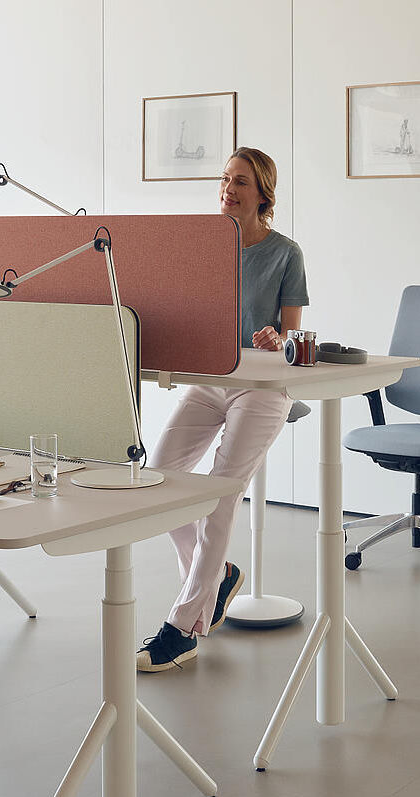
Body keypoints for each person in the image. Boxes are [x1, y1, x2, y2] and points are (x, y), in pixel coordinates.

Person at [136, 147, 308, 672]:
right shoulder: (207, 247)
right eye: (226, 179)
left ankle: (185, 625)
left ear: (262, 194)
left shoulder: (285, 252)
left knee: (219, 494)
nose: (228, 189)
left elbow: (294, 332)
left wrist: (277, 336)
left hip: (263, 386)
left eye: (241, 182)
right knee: (160, 480)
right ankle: (218, 578)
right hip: (212, 380)